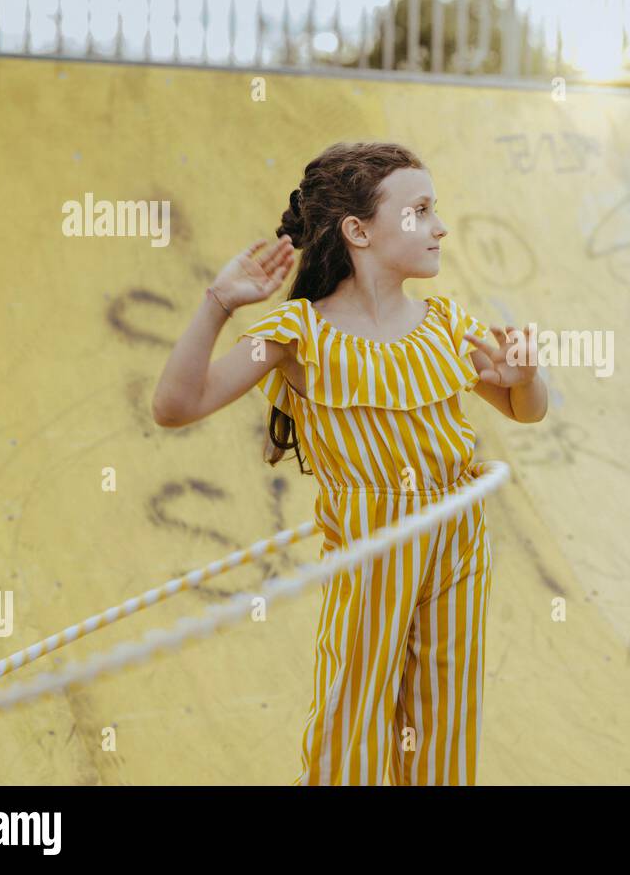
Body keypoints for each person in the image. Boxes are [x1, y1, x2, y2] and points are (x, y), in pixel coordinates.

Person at [151, 141, 547, 784]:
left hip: (459, 538)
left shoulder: (445, 323)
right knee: (353, 715)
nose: (441, 226)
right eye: (420, 210)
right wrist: (218, 303)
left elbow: (525, 410)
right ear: (358, 231)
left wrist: (525, 378)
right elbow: (176, 405)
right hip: (371, 545)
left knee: (445, 720)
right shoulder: (298, 335)